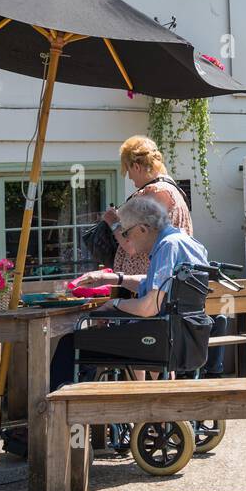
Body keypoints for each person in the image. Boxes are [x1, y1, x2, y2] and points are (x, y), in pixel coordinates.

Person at [56, 196, 208, 385]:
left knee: (69, 344)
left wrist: (114, 304)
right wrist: (112, 278)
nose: (125, 238)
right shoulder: (187, 242)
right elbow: (159, 285)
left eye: (126, 232)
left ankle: (61, 401)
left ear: (143, 229)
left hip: (155, 339)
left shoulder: (167, 247)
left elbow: (148, 307)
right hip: (185, 336)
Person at [105, 136, 194, 277]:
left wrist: (113, 222)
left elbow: (132, 246)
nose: (129, 177)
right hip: (162, 280)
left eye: (128, 170)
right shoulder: (170, 188)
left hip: (151, 283)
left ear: (136, 167)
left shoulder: (155, 193)